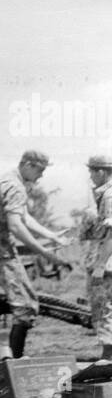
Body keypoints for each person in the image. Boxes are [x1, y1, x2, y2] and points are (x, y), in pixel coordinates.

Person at [0, 150, 70, 358]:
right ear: (28, 165)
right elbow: (16, 226)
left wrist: (53, 236)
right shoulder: (16, 186)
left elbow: (24, 217)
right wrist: (45, 252)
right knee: (26, 305)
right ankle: (15, 362)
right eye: (40, 170)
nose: (42, 175)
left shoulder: (5, 179)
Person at [80, 153, 112, 361]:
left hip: (107, 262)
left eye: (92, 170)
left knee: (105, 309)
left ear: (101, 171)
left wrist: (100, 265)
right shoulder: (103, 194)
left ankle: (108, 359)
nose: (90, 175)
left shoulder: (108, 195)